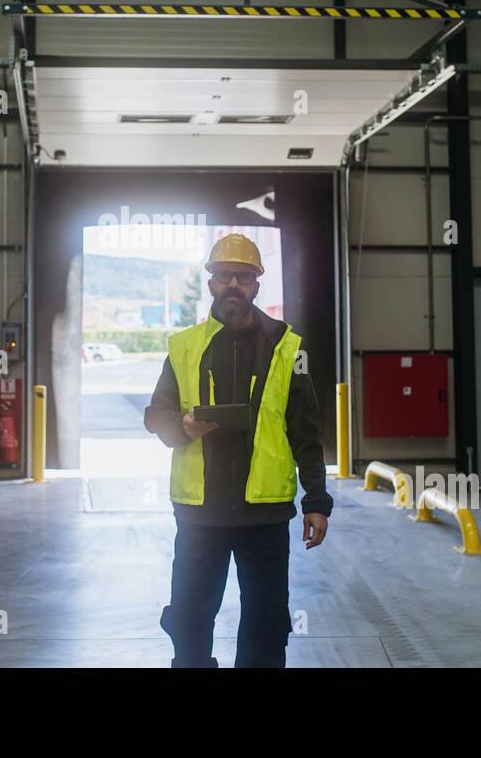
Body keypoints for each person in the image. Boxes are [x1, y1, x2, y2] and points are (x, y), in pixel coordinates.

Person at [144, 233, 332, 668]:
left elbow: (306, 431)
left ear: (256, 285)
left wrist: (316, 501)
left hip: (264, 514)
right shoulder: (184, 347)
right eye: (224, 275)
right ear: (210, 283)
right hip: (199, 513)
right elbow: (157, 415)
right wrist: (183, 427)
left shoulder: (289, 348)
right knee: (189, 619)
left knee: (266, 623)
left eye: (243, 277)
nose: (233, 284)